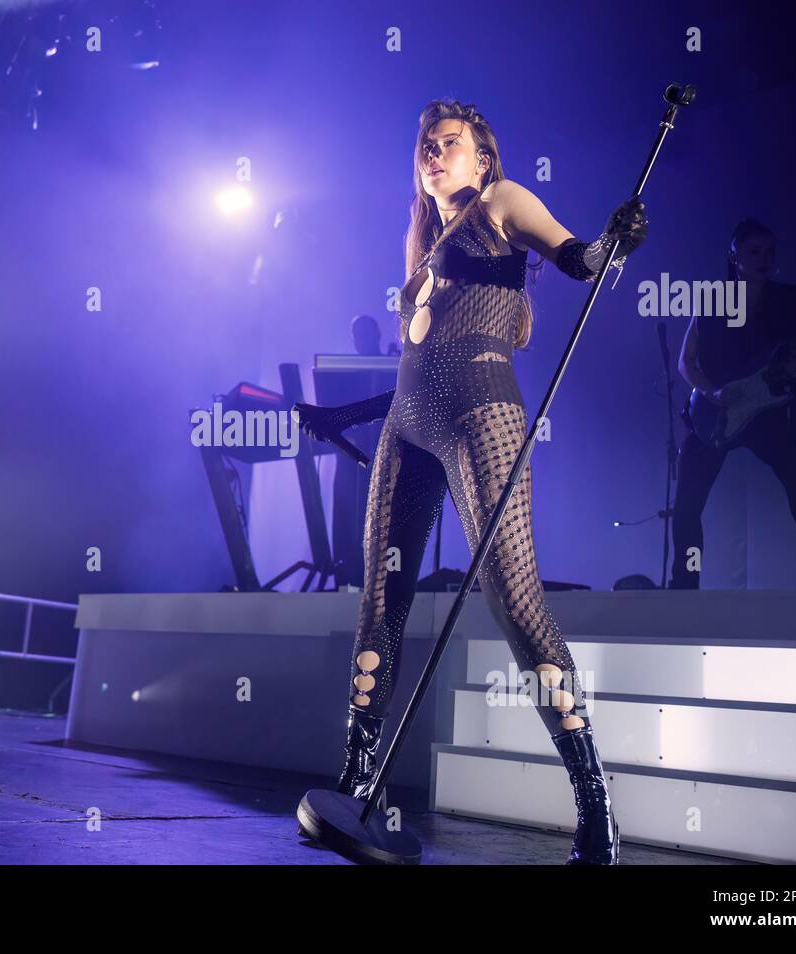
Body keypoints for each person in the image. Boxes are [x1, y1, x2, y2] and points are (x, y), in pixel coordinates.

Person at [294, 100, 647, 864]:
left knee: (514, 599)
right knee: (380, 597)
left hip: (482, 412)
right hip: (408, 425)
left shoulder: (502, 201)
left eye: (448, 143)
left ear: (483, 157)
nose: (432, 153)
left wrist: (612, 244)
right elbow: (416, 367)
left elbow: (577, 259)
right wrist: (343, 415)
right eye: (424, 144)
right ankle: (358, 783)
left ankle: (595, 806)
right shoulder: (418, 232)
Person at [669, 218, 796, 589]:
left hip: (769, 411)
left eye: (769, 252)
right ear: (734, 256)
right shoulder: (712, 298)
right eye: (754, 252)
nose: (764, 259)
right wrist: (712, 392)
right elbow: (686, 361)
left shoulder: (791, 302)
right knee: (687, 501)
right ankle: (684, 582)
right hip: (717, 412)